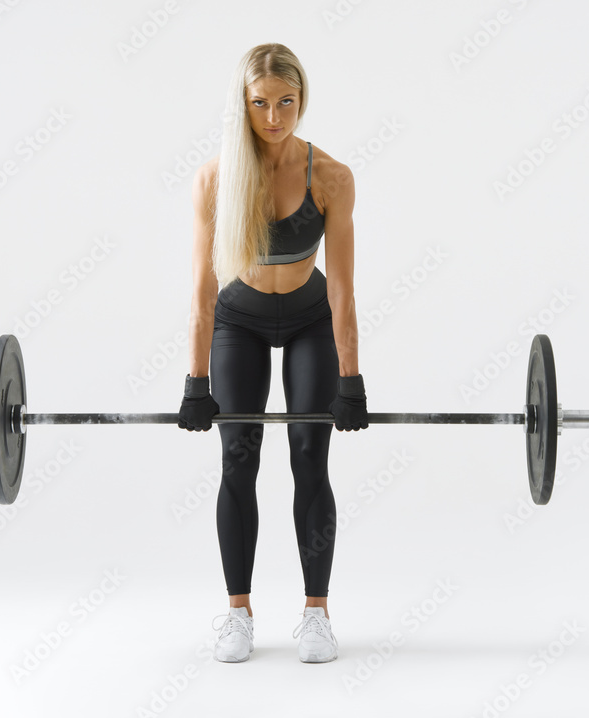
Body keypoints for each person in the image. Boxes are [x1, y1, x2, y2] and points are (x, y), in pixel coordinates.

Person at [178, 43, 368, 664]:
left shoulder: (332, 177)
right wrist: (196, 382)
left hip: (312, 320)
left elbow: (342, 291)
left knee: (310, 456)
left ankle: (316, 615)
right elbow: (203, 290)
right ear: (243, 103)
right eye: (260, 103)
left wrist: (351, 380)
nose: (274, 117)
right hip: (241, 323)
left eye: (286, 102)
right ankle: (238, 614)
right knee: (239, 457)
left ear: (302, 98)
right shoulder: (215, 179)